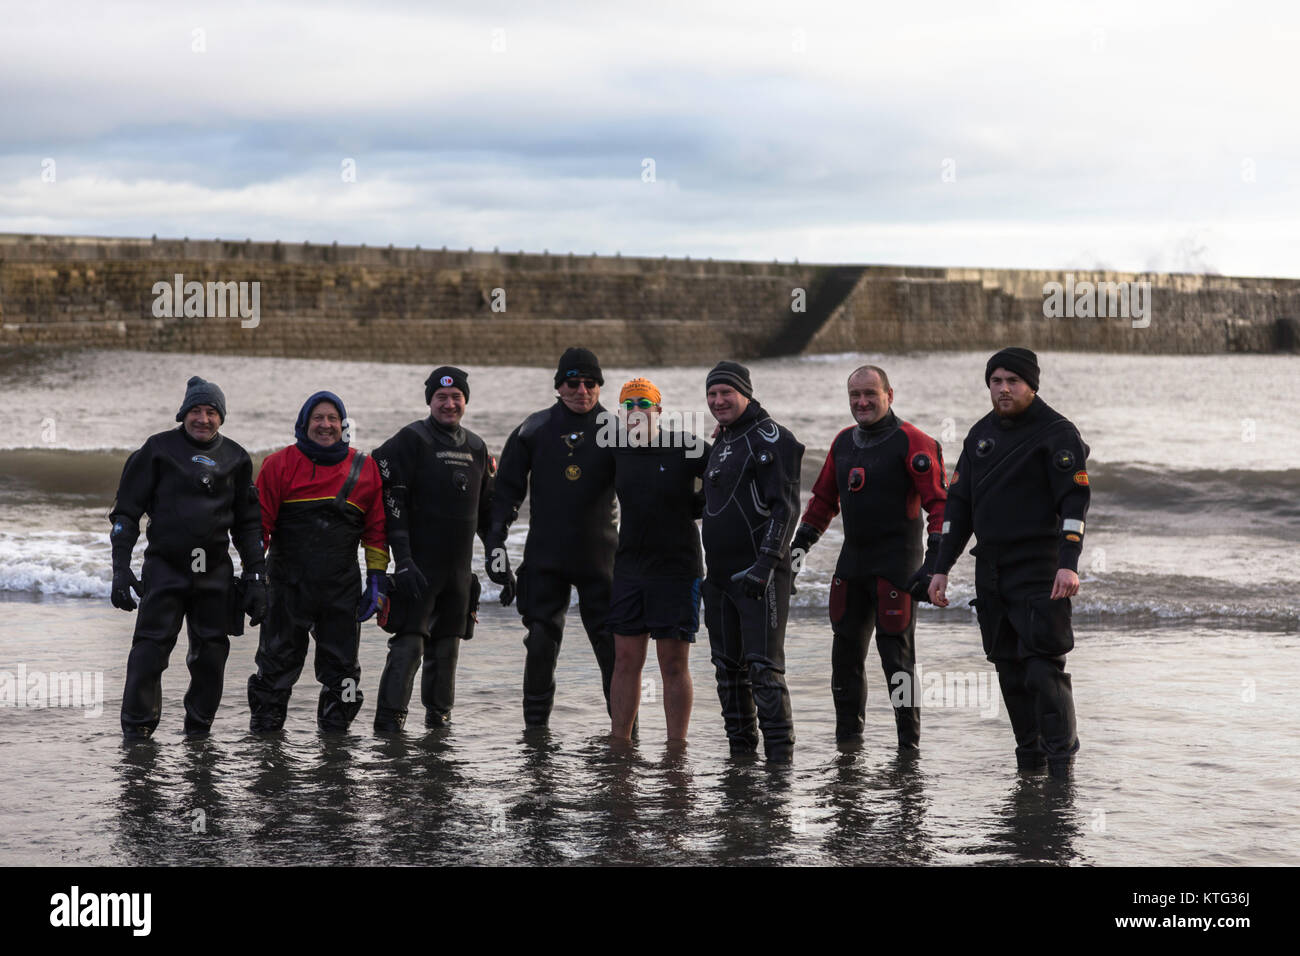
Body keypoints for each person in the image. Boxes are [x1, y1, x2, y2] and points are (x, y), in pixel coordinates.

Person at [928, 347, 1090, 777]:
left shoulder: (1057, 432)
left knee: (1042, 669)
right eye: (996, 381)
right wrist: (941, 568)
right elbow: (958, 507)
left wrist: (1069, 562)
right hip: (993, 570)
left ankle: (1061, 767)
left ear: (1031, 385)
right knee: (1009, 670)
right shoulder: (980, 435)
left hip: (1041, 568)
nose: (1003, 389)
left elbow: (1075, 500)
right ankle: (1029, 765)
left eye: (1012, 381)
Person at [790, 365, 947, 748]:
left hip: (898, 570)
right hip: (852, 569)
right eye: (854, 396)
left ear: (889, 395)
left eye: (870, 394)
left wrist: (934, 567)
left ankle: (908, 749)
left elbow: (941, 507)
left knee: (897, 664)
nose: (862, 402)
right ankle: (848, 746)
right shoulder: (844, 442)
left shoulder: (914, 441)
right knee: (844, 661)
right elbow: (823, 502)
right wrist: (794, 556)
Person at [109, 376, 266, 739]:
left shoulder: (237, 458)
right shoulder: (156, 451)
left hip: (214, 575)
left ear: (221, 417)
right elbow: (125, 514)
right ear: (183, 413)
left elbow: (248, 526)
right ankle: (137, 735)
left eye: (211, 411)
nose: (203, 418)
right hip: (165, 569)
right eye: (196, 410)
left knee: (210, 657)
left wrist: (257, 576)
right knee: (149, 654)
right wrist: (120, 569)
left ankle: (198, 735)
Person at [485, 347, 618, 728]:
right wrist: (496, 546)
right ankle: (535, 737)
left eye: (590, 383)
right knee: (542, 642)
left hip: (601, 559)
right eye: (573, 383)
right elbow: (505, 496)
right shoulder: (533, 429)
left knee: (612, 648)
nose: (582, 390)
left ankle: (624, 737)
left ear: (599, 386)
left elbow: (647, 496)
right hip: (547, 557)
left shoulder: (618, 433)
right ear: (558, 386)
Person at [246, 390, 387, 733]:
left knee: (345, 680)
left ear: (343, 425)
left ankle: (336, 754)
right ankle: (267, 753)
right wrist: (253, 579)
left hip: (341, 592)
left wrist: (377, 580)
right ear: (304, 424)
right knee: (273, 675)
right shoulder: (277, 465)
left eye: (332, 419)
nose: (325, 425)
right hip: (286, 589)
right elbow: (258, 528)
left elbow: (376, 531)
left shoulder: (365, 468)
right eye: (318, 419)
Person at [371, 366, 497, 731]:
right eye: (441, 397)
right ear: (430, 400)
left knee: (446, 652)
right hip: (417, 569)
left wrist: (495, 554)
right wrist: (403, 559)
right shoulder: (412, 440)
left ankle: (437, 733)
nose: (449, 403)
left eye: (456, 397)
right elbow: (382, 482)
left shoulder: (476, 447)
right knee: (408, 648)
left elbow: (487, 511)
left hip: (457, 575)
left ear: (465, 401)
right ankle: (388, 729)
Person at [700, 361, 804, 763]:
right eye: (711, 394)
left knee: (763, 670)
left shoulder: (771, 437)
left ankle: (780, 769)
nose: (718, 400)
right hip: (722, 578)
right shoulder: (725, 439)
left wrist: (765, 565)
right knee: (728, 672)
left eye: (726, 393)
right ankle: (740, 764)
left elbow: (786, 509)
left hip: (760, 575)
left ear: (746, 392)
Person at [606, 378, 710, 742]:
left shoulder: (685, 445)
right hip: (630, 567)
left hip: (677, 569)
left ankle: (676, 746)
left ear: (658, 411)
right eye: (629, 405)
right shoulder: (615, 449)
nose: (636, 411)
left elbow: (725, 476)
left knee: (673, 663)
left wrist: (696, 507)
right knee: (625, 660)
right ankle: (620, 742)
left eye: (644, 404)